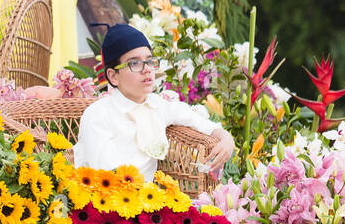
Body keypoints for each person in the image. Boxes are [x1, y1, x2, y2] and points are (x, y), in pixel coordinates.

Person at [72, 23, 235, 178]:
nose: (147, 69)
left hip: (148, 200)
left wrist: (226, 138)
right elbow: (104, 173)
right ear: (113, 76)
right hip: (102, 199)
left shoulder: (157, 106)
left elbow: (197, 121)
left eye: (149, 61)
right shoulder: (98, 114)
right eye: (134, 63)